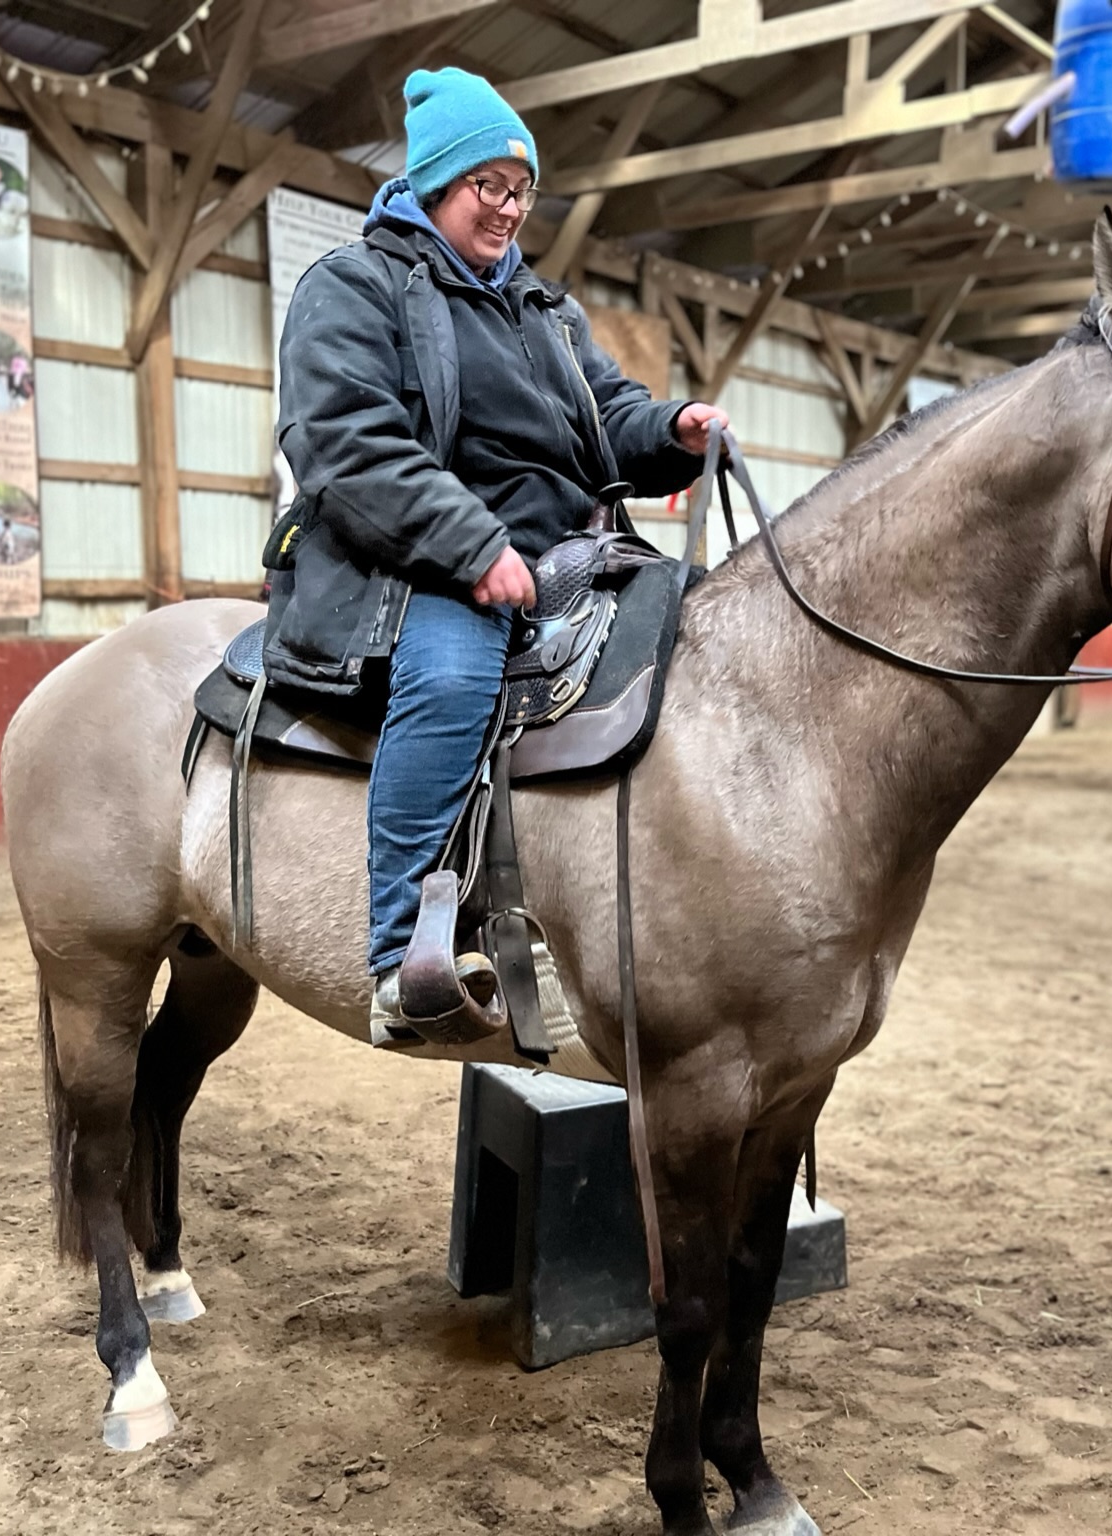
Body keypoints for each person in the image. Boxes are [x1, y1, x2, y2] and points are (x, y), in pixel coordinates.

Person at [267, 67, 727, 1050]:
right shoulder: (353, 287)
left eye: (523, 190)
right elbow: (345, 442)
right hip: (421, 564)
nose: (512, 209)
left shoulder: (543, 308)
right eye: (491, 185)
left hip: (569, 553)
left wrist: (670, 430)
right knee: (452, 677)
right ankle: (402, 959)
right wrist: (472, 546)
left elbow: (608, 415)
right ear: (437, 181)